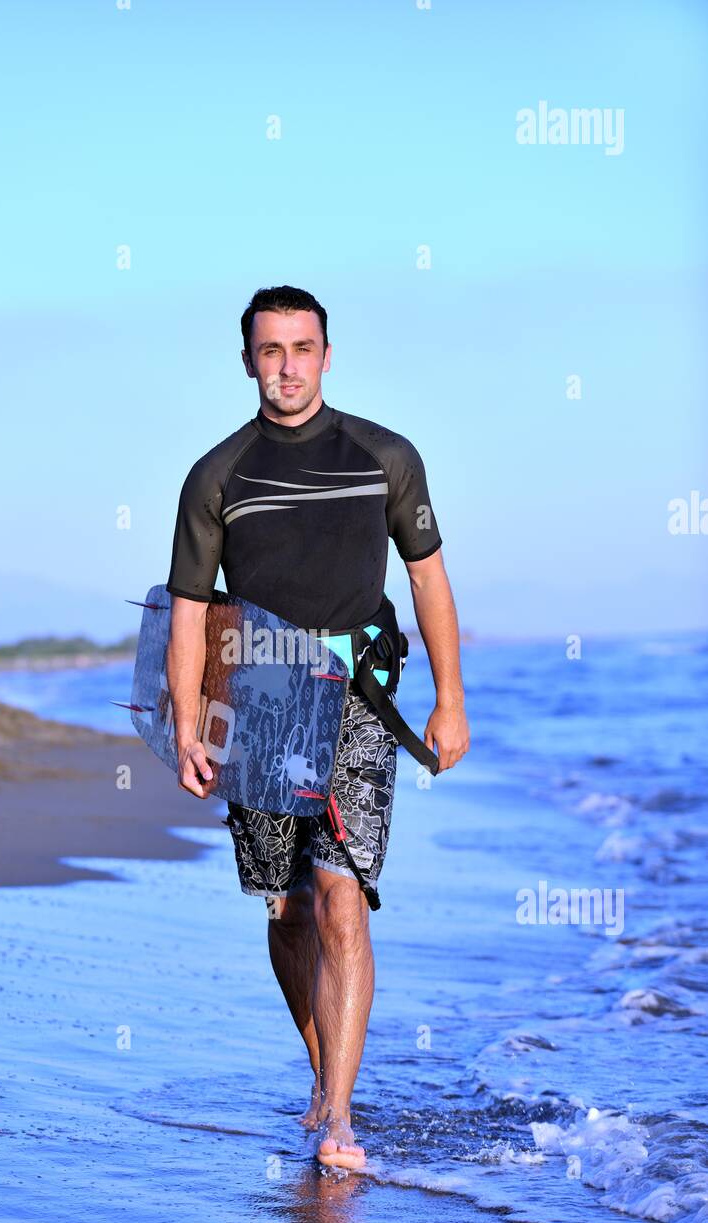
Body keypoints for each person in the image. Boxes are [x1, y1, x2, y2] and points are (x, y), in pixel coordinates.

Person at [165, 285, 469, 1169]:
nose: (287, 366)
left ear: (327, 355)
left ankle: (339, 1115)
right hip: (258, 705)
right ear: (248, 360)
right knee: (286, 909)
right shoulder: (217, 476)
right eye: (271, 350)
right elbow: (188, 611)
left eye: (303, 348)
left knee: (342, 898)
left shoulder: (385, 456)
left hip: (360, 694)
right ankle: (323, 1070)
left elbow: (428, 580)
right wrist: (192, 725)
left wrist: (450, 699)